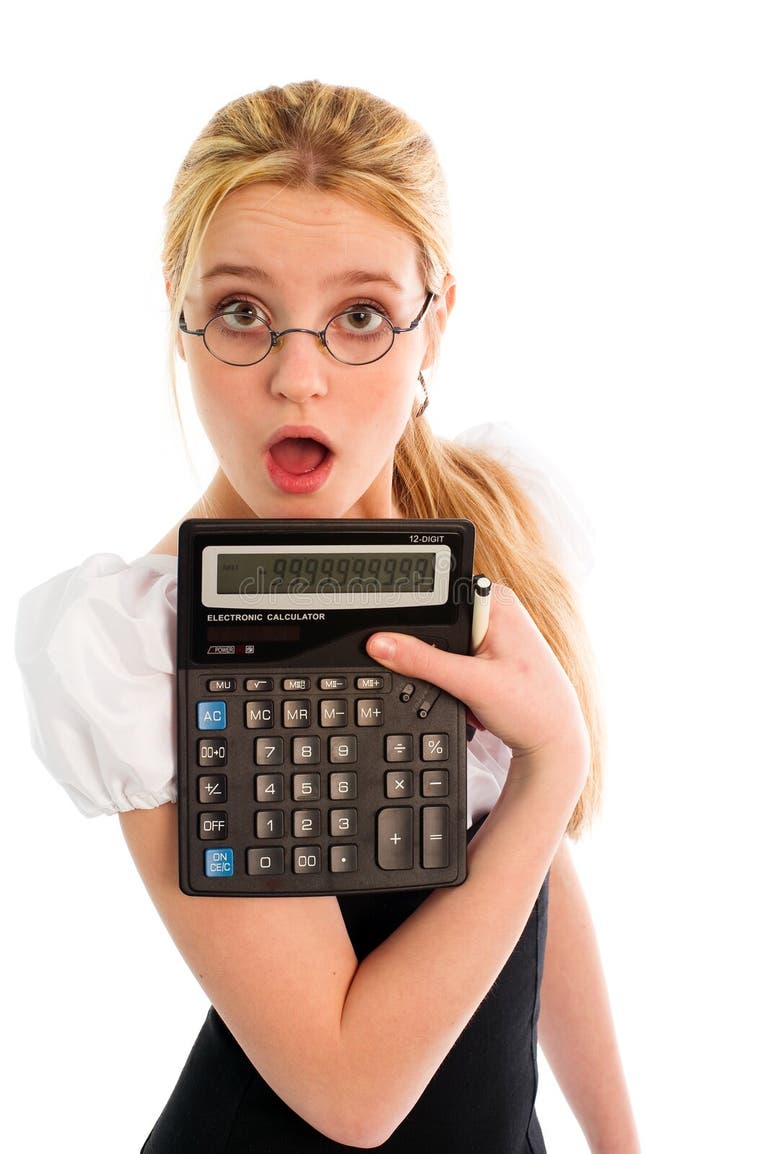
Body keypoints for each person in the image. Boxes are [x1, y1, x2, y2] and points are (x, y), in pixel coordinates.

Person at [16, 81, 640, 1152]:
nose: (296, 380)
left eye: (358, 315)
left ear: (434, 318)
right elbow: (352, 1088)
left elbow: (529, 872)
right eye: (243, 312)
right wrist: (556, 763)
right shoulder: (133, 647)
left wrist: (622, 1142)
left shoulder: (491, 517)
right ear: (180, 309)